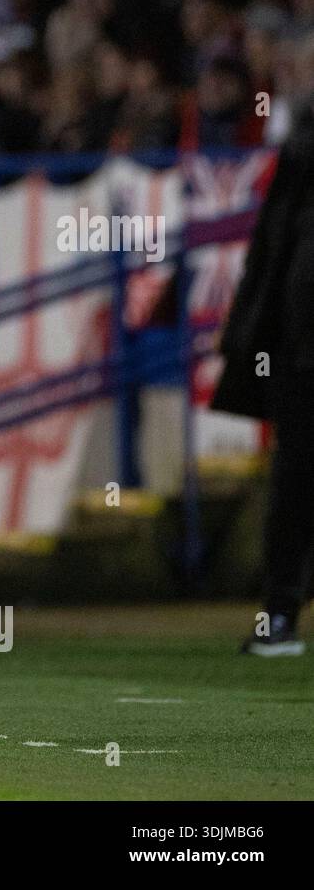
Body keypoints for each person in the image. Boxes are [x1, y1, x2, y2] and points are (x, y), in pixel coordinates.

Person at [214, 88, 314, 656]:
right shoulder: (299, 162)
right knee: (293, 483)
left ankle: (280, 612)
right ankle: (279, 612)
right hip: (298, 353)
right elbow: (269, 254)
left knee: (294, 485)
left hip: (295, 349)